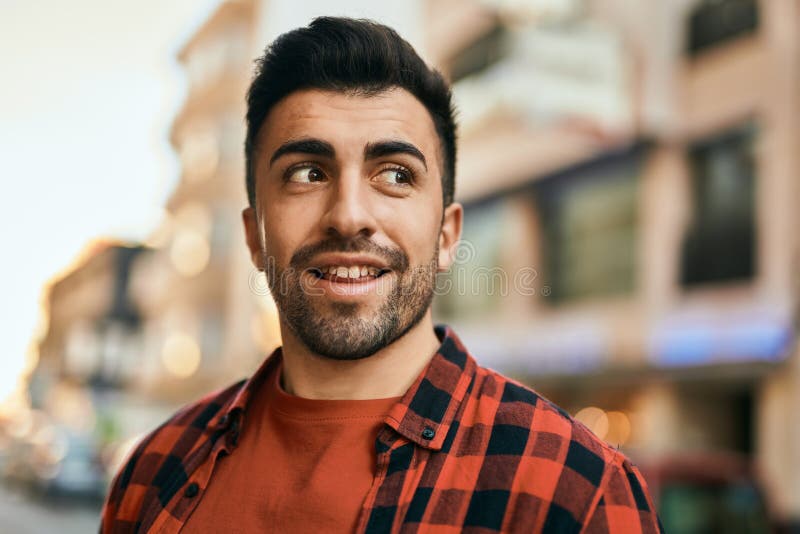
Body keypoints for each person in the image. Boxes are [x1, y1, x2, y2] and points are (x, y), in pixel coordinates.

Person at [101, 17, 662, 533]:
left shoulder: (575, 490)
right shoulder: (156, 468)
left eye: (395, 174)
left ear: (446, 236)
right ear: (254, 235)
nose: (349, 214)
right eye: (306, 172)